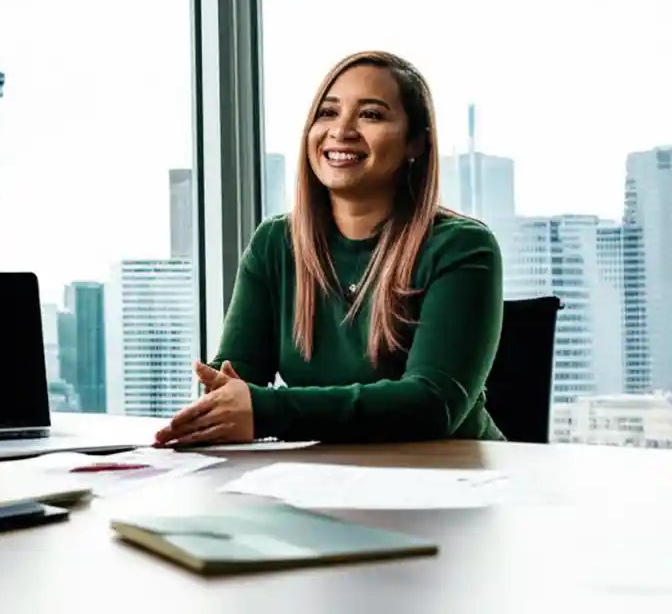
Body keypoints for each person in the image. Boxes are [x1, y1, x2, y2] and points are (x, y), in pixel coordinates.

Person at [155, 51, 504, 447]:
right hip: (321, 478)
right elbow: (235, 379)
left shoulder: (462, 246)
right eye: (327, 113)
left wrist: (266, 409)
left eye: (371, 115)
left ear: (416, 142)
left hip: (451, 482)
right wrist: (226, 402)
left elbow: (431, 403)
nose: (342, 131)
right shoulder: (275, 243)